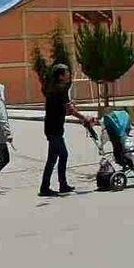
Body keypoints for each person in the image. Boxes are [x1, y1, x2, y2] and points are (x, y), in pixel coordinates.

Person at [40, 64, 95, 197]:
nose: (69, 74)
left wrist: (72, 109)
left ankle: (50, 186)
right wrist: (84, 118)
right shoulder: (61, 89)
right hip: (55, 128)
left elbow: (63, 110)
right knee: (62, 155)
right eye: (67, 73)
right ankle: (56, 185)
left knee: (53, 158)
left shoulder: (52, 89)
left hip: (51, 126)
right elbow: (69, 110)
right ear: (60, 76)